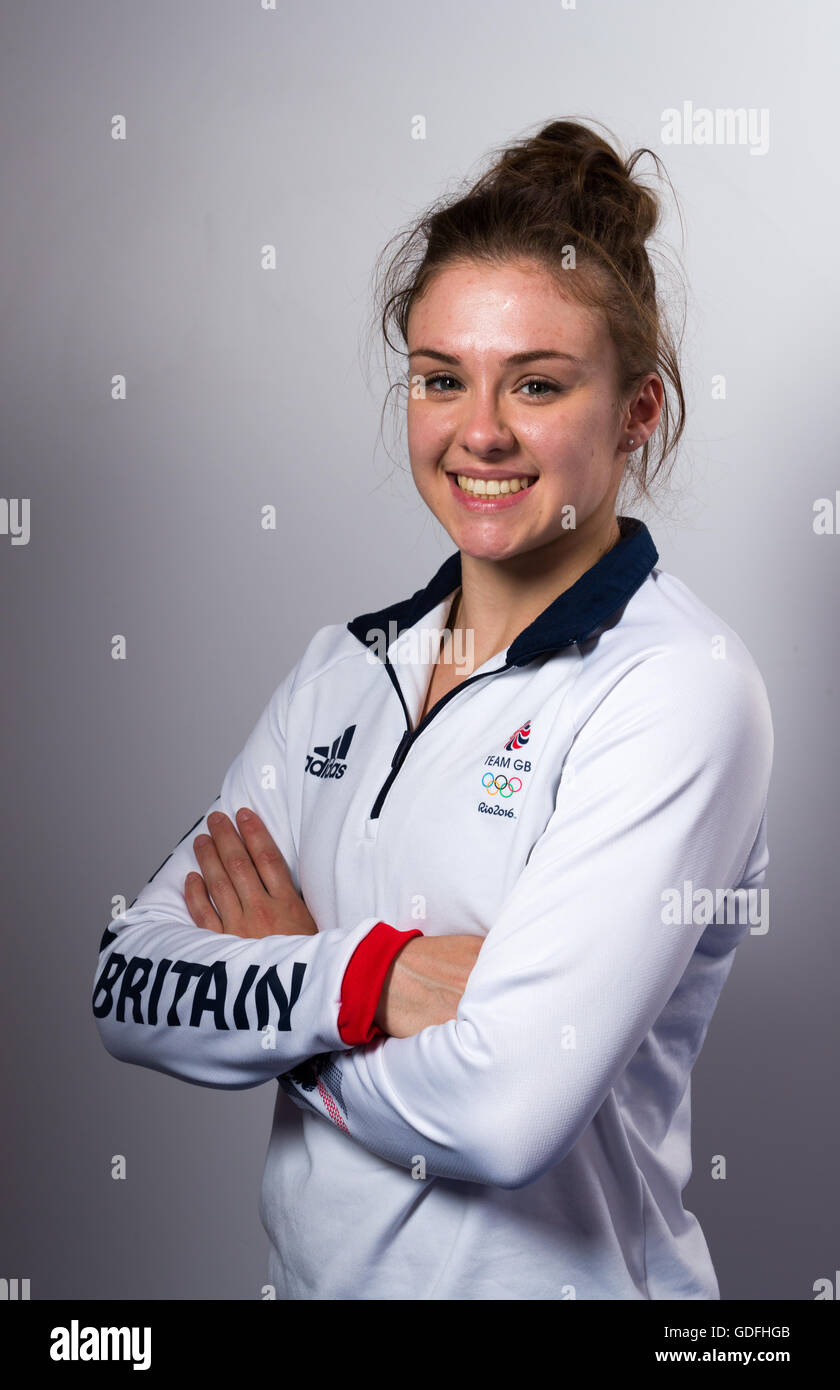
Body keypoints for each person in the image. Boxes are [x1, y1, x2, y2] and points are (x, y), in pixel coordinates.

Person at [92, 118, 773, 1300]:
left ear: (639, 410)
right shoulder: (338, 671)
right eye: (442, 378)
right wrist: (374, 982)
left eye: (540, 384)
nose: (480, 432)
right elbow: (129, 984)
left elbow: (507, 1112)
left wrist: (285, 993)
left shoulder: (677, 690)